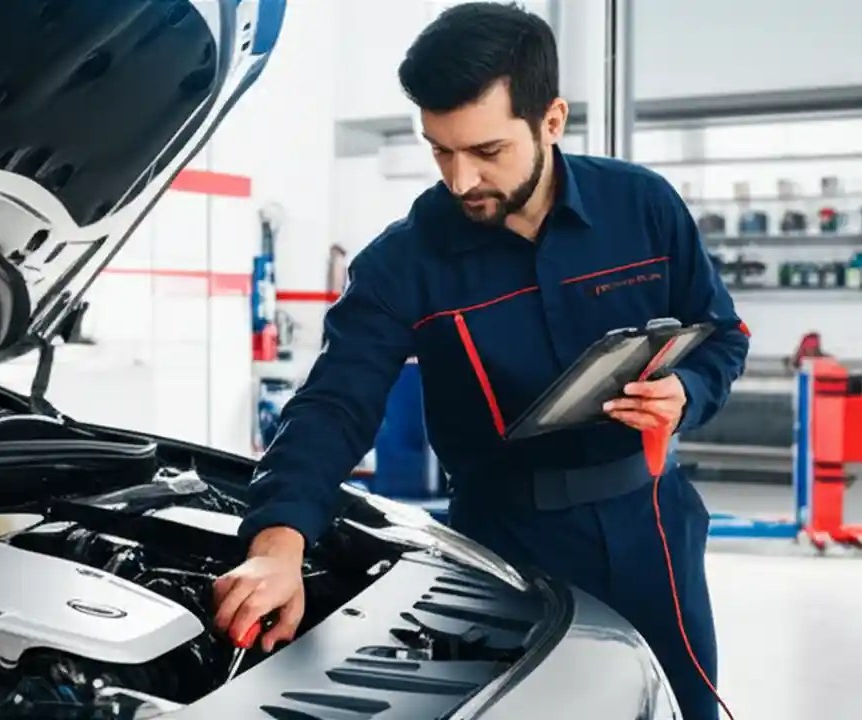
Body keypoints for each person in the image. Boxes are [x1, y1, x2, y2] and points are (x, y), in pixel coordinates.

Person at [212, 3, 748, 718]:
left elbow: (723, 334)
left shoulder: (642, 207)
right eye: (440, 150)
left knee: (678, 709)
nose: (461, 180)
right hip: (501, 549)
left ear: (551, 121)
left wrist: (687, 389)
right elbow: (334, 406)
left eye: (487, 152)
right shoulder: (403, 263)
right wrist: (276, 543)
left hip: (648, 524)